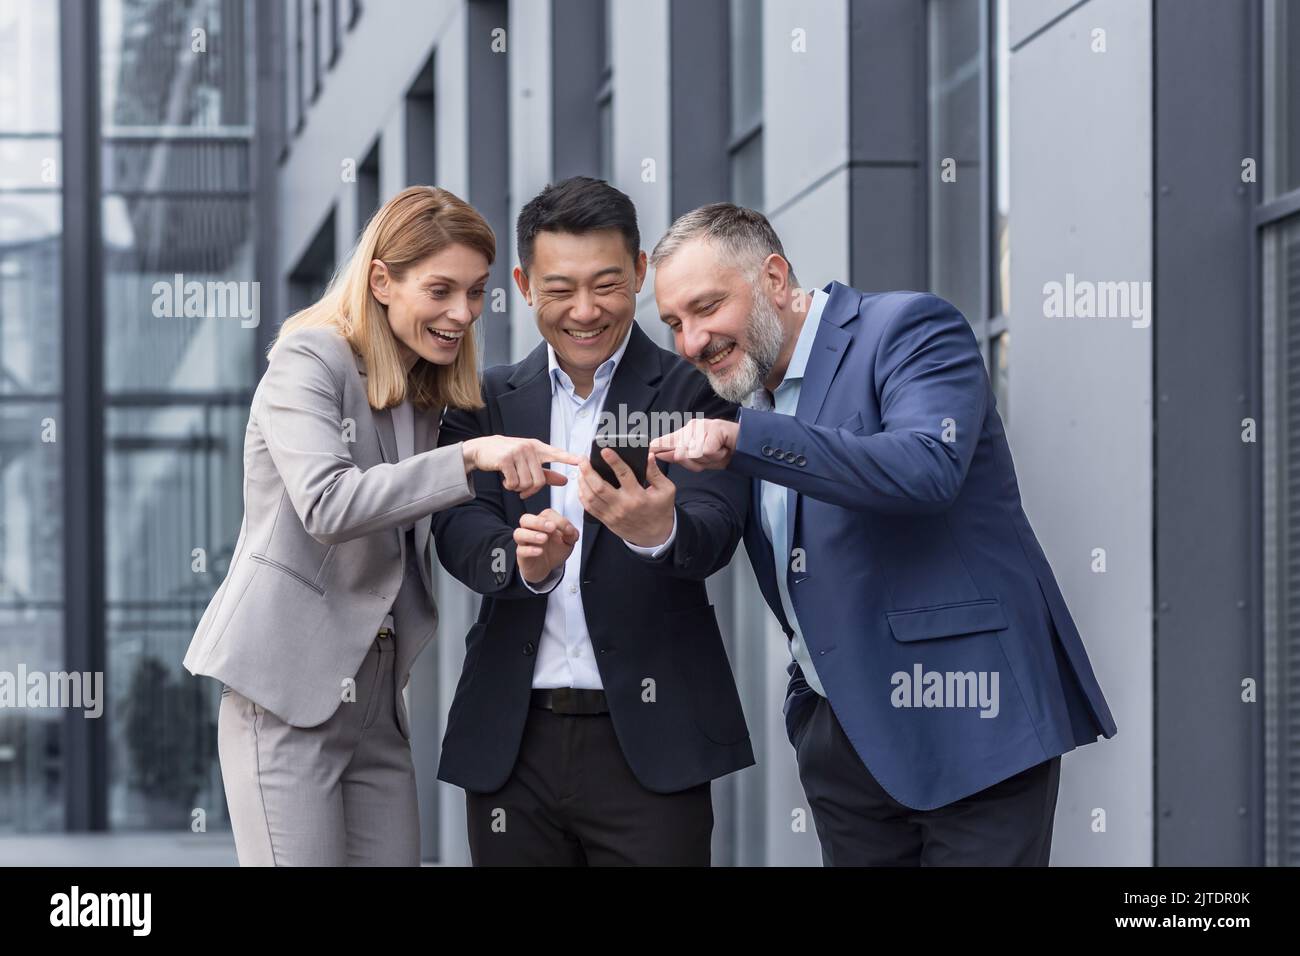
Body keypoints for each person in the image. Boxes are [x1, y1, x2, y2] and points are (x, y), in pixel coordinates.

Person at [648, 202, 1118, 866]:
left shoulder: (909, 329)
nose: (692, 341)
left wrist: (747, 440)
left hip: (968, 722)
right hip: (842, 744)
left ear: (776, 280)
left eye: (706, 308)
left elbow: (927, 468)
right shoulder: (746, 398)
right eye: (675, 323)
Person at [183, 185, 579, 866]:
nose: (463, 313)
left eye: (477, 292)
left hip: (377, 698)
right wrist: (469, 456)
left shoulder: (425, 384)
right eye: (441, 290)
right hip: (285, 692)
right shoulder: (308, 359)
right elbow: (329, 504)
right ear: (382, 281)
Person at [431, 177, 752, 866]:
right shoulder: (481, 401)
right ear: (522, 283)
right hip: (514, 746)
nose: (584, 311)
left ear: (640, 273)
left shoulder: (693, 386)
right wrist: (519, 564)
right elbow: (457, 532)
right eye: (559, 287)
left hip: (653, 745)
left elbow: (717, 525)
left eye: (606, 284)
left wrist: (658, 530)